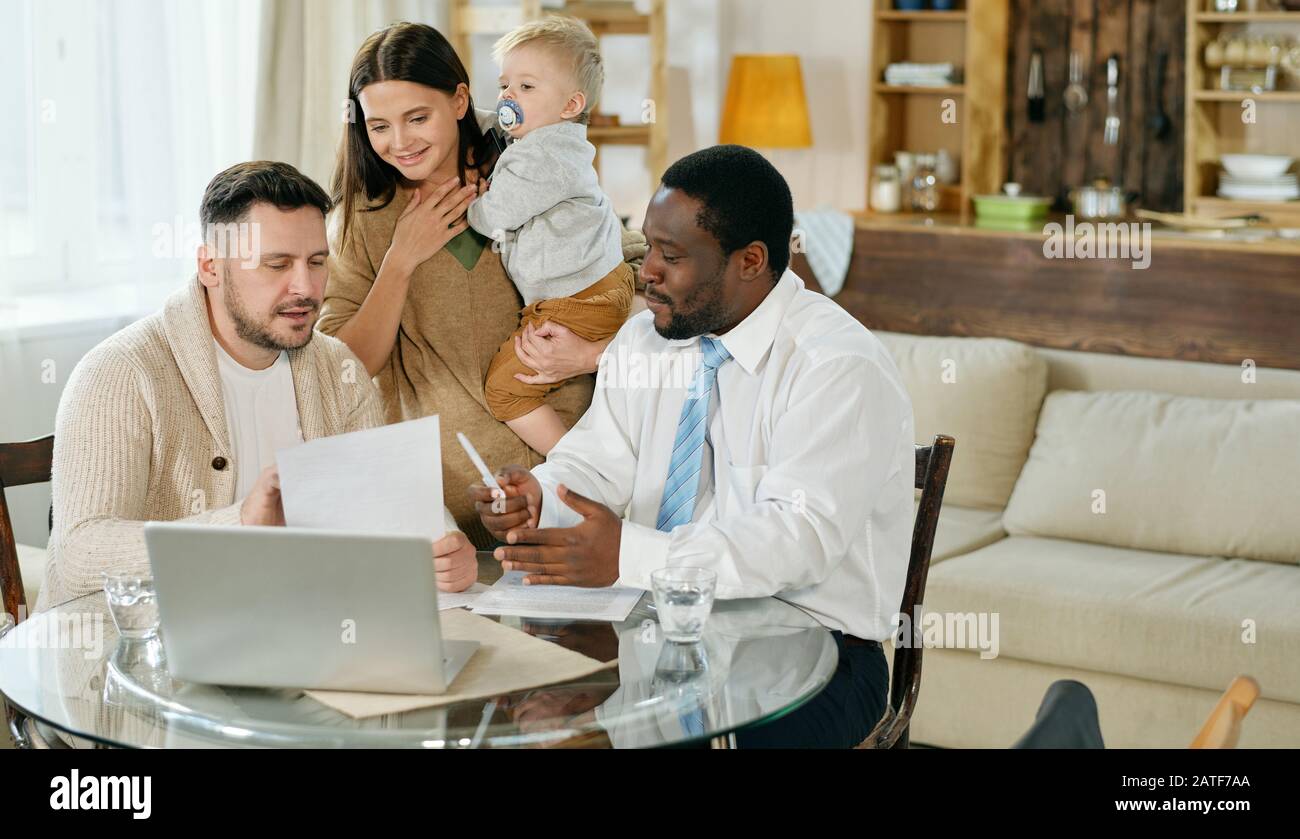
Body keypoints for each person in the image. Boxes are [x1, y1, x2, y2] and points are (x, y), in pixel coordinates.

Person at [470, 146, 916, 747]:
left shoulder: (835, 366)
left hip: (817, 654)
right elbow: (596, 460)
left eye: (671, 256)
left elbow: (797, 540)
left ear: (750, 261)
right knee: (521, 711)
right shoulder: (645, 341)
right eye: (647, 245)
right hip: (655, 629)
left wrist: (628, 555)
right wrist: (538, 498)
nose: (645, 271)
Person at [36, 161, 476, 613]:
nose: (305, 288)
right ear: (210, 266)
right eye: (277, 264)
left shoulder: (337, 367)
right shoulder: (120, 372)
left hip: (292, 626)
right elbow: (79, 554)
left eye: (317, 262)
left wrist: (443, 542)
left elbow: (388, 491)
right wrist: (242, 523)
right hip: (133, 648)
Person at [319, 22, 645, 546]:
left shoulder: (529, 150)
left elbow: (629, 261)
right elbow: (343, 367)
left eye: (417, 117)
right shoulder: (364, 218)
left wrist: (595, 353)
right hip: (453, 511)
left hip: (573, 488)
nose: (399, 142)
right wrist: (400, 260)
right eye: (378, 126)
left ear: (460, 100)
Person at [467, 17, 635, 455]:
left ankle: (580, 469)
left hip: (573, 301)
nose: (507, 97)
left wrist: (472, 203)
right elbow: (499, 133)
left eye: (526, 87)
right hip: (606, 283)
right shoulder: (561, 144)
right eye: (505, 85)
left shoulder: (540, 157)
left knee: (505, 391)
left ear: (569, 104)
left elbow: (494, 217)